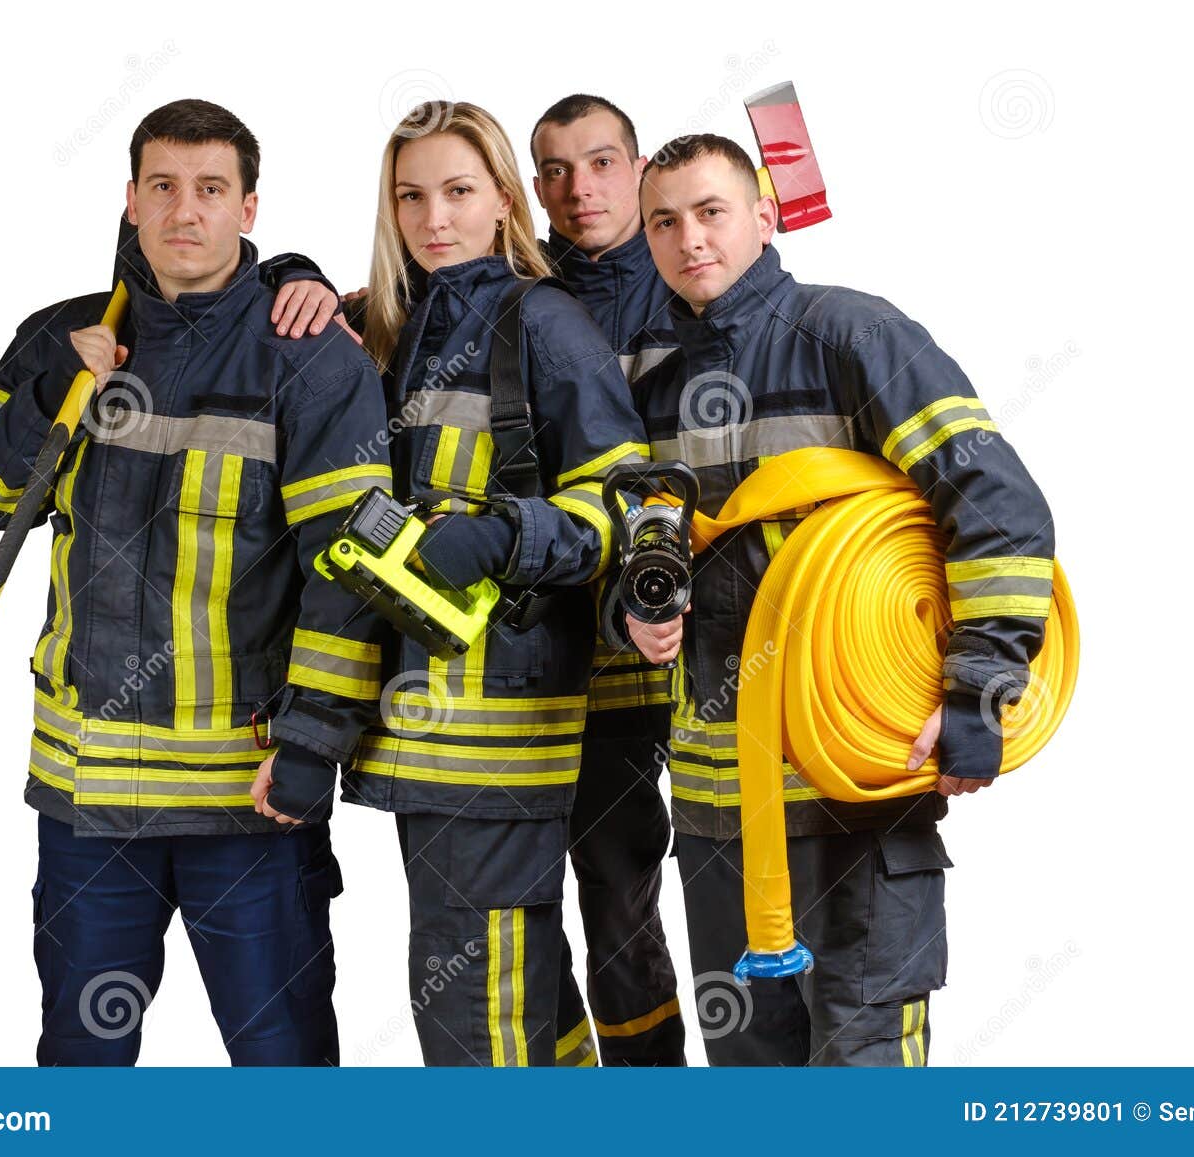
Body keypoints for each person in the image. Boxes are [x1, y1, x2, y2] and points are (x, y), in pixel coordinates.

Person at [0, 99, 389, 1066]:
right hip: (87, 800)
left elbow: (351, 573)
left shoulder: (309, 359)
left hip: (248, 802)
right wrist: (50, 392)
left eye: (211, 189)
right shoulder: (63, 337)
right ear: (131, 201)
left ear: (249, 208)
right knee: (82, 1059)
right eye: (163, 187)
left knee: (283, 1067)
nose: (185, 211)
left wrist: (315, 741)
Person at [625, 134, 1056, 1066]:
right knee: (752, 1081)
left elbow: (997, 504)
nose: (690, 238)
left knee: (864, 1077)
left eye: (711, 212)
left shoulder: (854, 336)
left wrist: (978, 690)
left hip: (856, 798)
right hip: (717, 812)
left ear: (764, 214)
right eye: (664, 221)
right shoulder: (652, 387)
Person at [287, 99, 649, 1067]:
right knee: (519, 983)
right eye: (410, 197)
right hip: (410, 726)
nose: (433, 218)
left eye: (457, 191)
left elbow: (628, 505)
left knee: (471, 1010)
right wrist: (289, 273)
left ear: (503, 200)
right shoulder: (384, 327)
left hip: (501, 732)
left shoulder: (545, 322)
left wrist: (502, 536)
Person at [527, 93, 685, 1066]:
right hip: (539, 654)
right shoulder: (512, 294)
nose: (578, 188)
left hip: (672, 655)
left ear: (639, 167)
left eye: (600, 162)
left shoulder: (692, 286)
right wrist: (292, 272)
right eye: (555, 169)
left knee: (625, 900)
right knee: (514, 901)